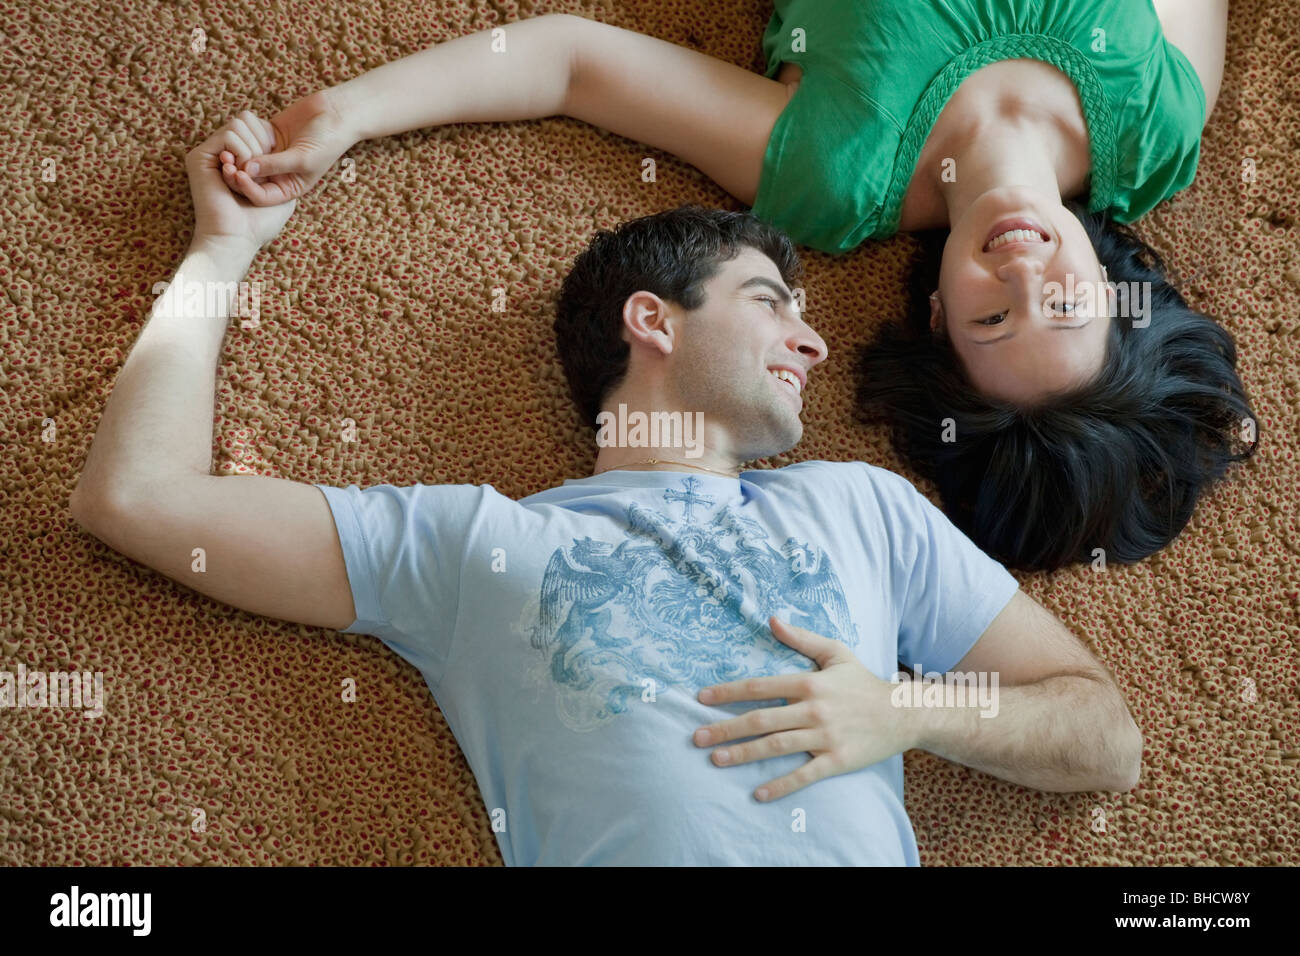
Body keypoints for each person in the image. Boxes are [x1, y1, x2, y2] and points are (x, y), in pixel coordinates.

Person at [69, 114, 1142, 865]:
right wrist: (222, 247)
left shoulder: (863, 505)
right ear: (652, 319)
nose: (813, 339)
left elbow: (1104, 735)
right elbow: (139, 497)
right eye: (770, 301)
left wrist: (905, 707)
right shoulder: (469, 544)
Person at [209, 1, 1258, 573]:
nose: (1022, 265)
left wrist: (345, 115)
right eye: (1065, 303)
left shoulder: (828, 176)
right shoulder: (1159, 125)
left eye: (993, 313)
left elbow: (571, 63)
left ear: (936, 316)